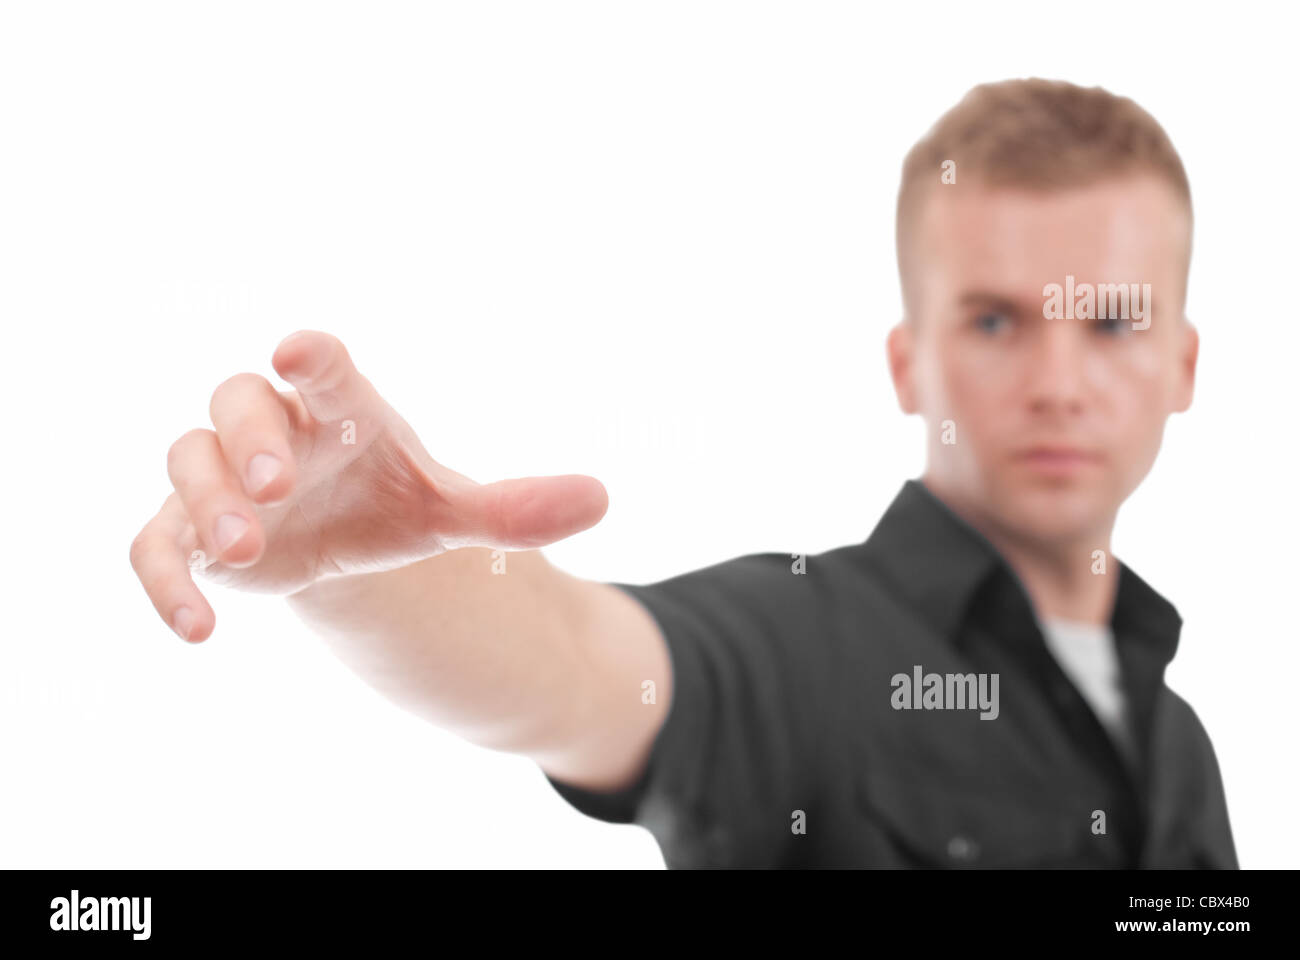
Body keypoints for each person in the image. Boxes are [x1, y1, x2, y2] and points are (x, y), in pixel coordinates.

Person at [129, 77, 1236, 868]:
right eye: (994, 321)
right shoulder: (807, 644)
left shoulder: (1176, 739)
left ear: (1182, 365)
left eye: (1111, 323)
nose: (1056, 382)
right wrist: (356, 573)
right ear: (909, 365)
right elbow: (585, 665)